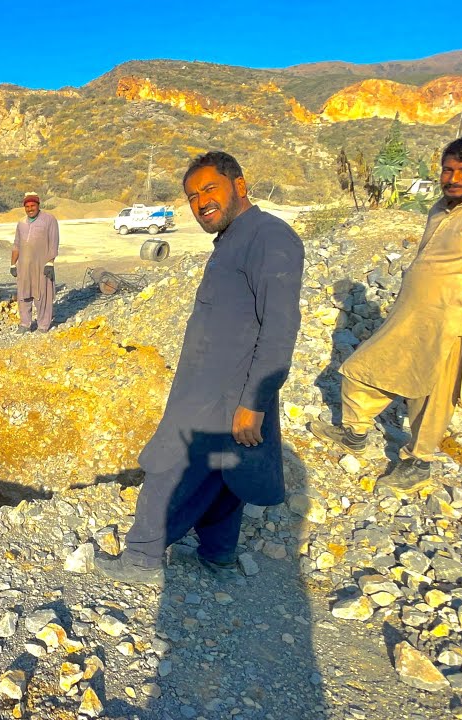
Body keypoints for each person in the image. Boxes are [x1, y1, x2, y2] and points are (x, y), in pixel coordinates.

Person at [95, 151, 304, 585]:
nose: (200, 202)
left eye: (209, 188)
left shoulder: (269, 237)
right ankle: (219, 553)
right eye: (192, 196)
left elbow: (281, 329)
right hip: (212, 384)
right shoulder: (236, 238)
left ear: (239, 185)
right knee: (226, 468)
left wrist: (254, 402)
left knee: (167, 465)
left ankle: (142, 558)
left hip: (225, 389)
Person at [309, 134, 462, 492]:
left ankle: (418, 462)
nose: (454, 178)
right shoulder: (442, 207)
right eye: (448, 169)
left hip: (450, 323)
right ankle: (354, 432)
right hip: (411, 315)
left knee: (432, 394)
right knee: (365, 368)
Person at [10, 191, 59, 332]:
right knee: (23, 295)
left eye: (33, 205)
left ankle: (43, 325)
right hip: (24, 266)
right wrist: (13, 264)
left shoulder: (49, 220)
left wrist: (50, 262)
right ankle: (25, 324)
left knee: (43, 295)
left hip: (42, 265)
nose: (30, 209)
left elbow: (54, 242)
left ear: (38, 205)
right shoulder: (21, 223)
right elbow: (16, 244)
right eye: (27, 206)